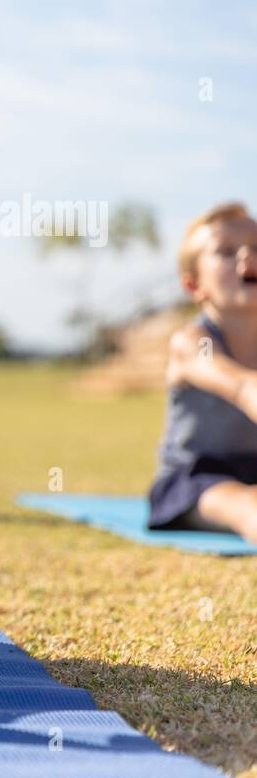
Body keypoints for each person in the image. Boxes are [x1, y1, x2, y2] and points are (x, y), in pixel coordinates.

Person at [148, 202, 257, 539]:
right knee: (244, 505)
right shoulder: (193, 341)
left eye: (256, 247)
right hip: (197, 477)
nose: (246, 257)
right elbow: (240, 385)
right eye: (226, 251)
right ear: (194, 286)